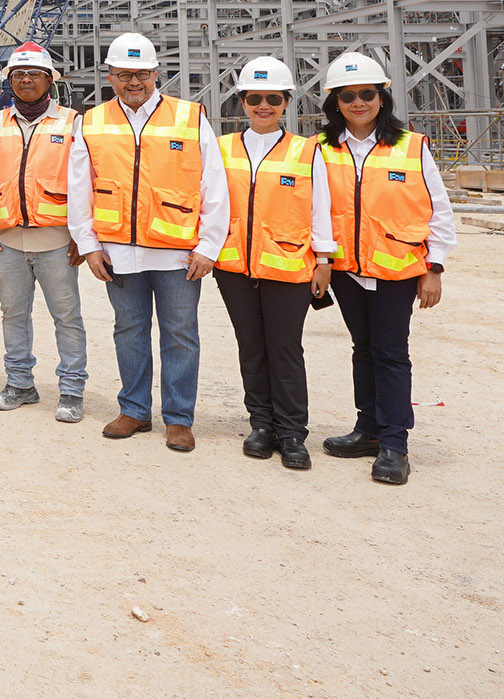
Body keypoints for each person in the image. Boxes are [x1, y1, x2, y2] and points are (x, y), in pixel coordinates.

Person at [68, 32, 229, 453]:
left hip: (177, 253)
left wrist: (209, 246)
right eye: (124, 74)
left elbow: (213, 183)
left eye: (141, 74)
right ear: (110, 76)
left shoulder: (189, 117)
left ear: (156, 74)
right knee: (129, 331)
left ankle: (178, 418)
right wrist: (88, 244)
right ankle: (135, 409)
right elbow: (79, 187)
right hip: (118, 251)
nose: (133, 82)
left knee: (180, 334)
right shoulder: (92, 121)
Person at [314, 51, 454, 486]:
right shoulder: (320, 148)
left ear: (382, 98)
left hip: (397, 270)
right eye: (348, 96)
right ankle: (369, 429)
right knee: (363, 348)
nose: (358, 102)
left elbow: (439, 210)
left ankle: (395, 443)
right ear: (335, 102)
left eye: (367, 94)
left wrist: (434, 267)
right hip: (346, 269)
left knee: (391, 353)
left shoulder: (411, 146)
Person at [213, 56, 336, 470]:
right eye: (254, 99)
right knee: (251, 347)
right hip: (234, 267)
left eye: (273, 99)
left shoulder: (306, 151)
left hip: (288, 266)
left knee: (284, 349)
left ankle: (292, 432)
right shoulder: (222, 148)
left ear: (286, 102)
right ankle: (261, 425)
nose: (263, 106)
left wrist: (323, 258)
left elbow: (320, 206)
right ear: (242, 102)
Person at [0, 42, 88, 423]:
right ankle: (20, 384)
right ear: (9, 81)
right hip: (6, 241)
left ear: (49, 80)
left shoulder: (72, 123)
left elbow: (85, 181)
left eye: (34, 74)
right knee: (13, 315)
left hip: (56, 242)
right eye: (19, 74)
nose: (26, 80)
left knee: (67, 317)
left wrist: (82, 235)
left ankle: (71, 390)